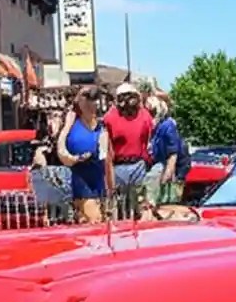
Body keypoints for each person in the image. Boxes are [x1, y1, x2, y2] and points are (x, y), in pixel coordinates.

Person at [55, 85, 113, 224]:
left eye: (94, 99)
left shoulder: (101, 128)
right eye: (87, 98)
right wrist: (76, 159)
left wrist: (111, 189)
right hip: (81, 181)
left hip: (98, 183)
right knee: (94, 221)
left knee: (99, 224)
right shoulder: (70, 123)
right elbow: (62, 153)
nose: (92, 103)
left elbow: (107, 160)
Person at [103, 82, 153, 219]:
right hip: (118, 166)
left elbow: (147, 138)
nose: (127, 100)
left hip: (138, 164)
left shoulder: (145, 116)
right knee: (118, 208)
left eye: (130, 96)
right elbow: (108, 148)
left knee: (140, 206)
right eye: (123, 97)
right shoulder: (110, 118)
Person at [144, 95, 188, 207]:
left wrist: (165, 178)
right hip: (161, 167)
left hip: (175, 171)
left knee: (167, 204)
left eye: (151, 111)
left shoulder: (168, 126)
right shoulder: (155, 127)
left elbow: (173, 155)